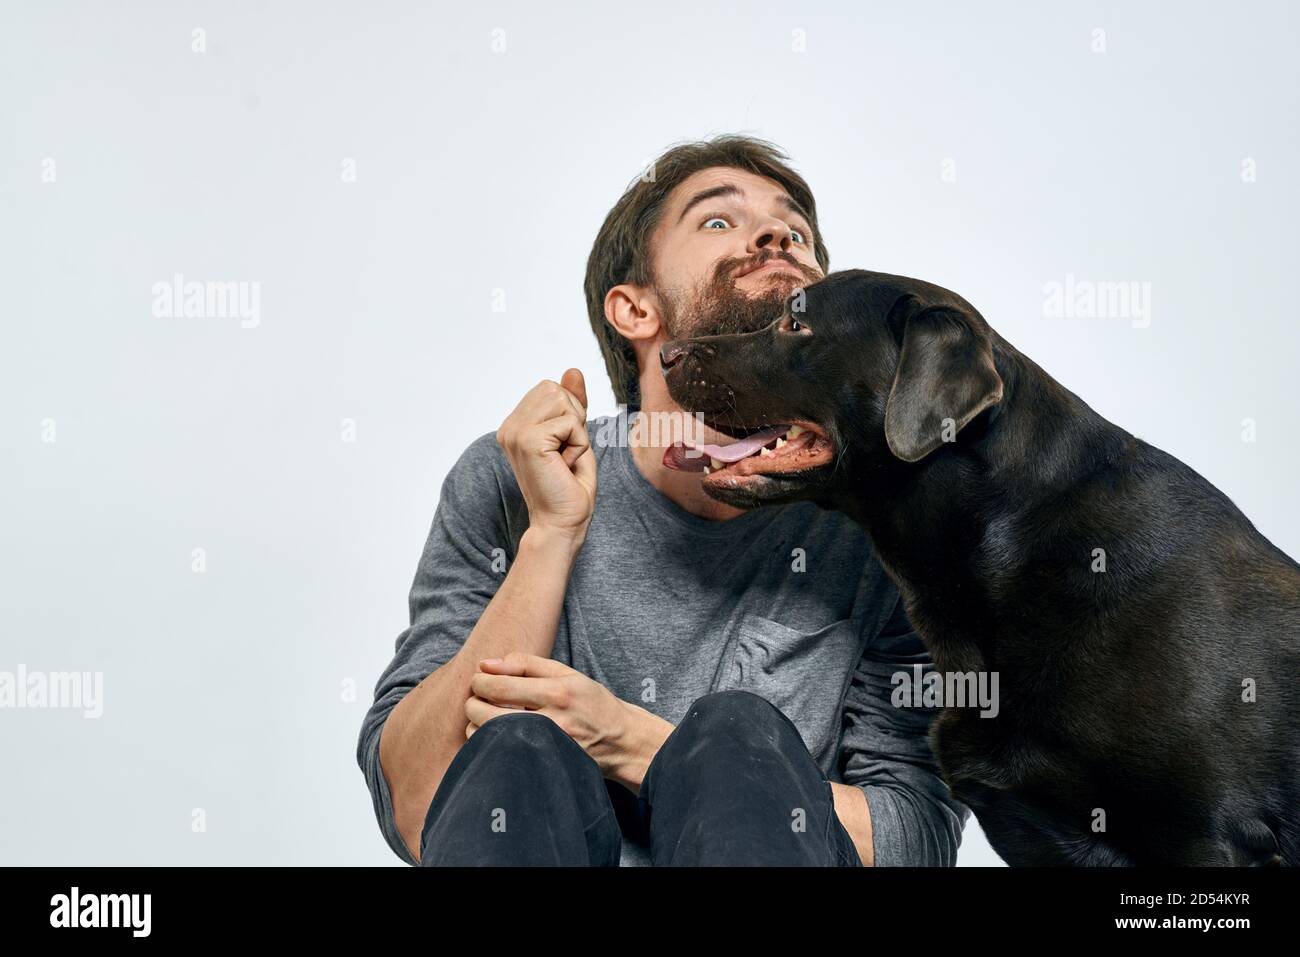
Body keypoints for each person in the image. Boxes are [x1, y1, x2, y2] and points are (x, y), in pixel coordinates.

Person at [357, 134, 971, 866]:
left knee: (738, 735)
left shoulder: (883, 528)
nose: (776, 235)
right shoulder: (507, 483)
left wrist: (635, 740)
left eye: (796, 232)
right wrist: (551, 533)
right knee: (515, 748)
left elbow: (915, 836)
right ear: (633, 309)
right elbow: (422, 799)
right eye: (719, 221)